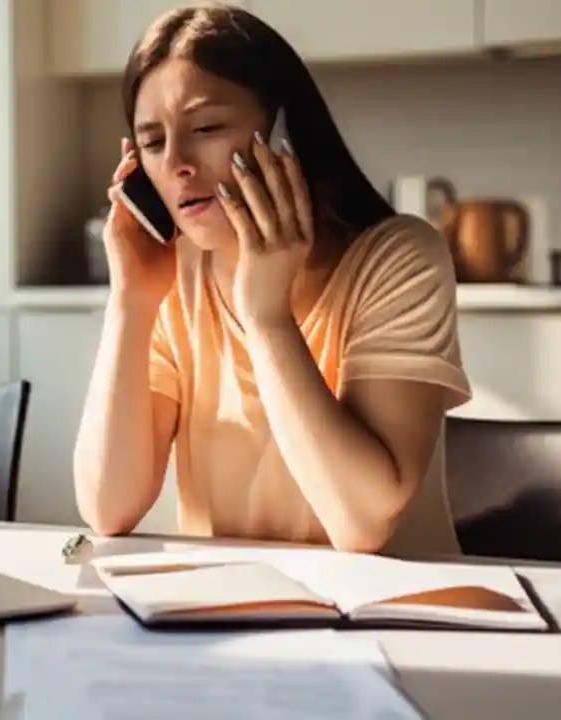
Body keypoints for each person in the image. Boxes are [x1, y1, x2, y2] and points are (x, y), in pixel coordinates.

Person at [72, 5, 473, 555]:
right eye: (153, 142)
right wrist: (130, 302)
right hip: (232, 617)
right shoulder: (175, 274)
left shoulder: (399, 257)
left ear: (283, 135)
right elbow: (107, 508)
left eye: (206, 128)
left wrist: (266, 319)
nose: (177, 164)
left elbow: (362, 524)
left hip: (393, 620)